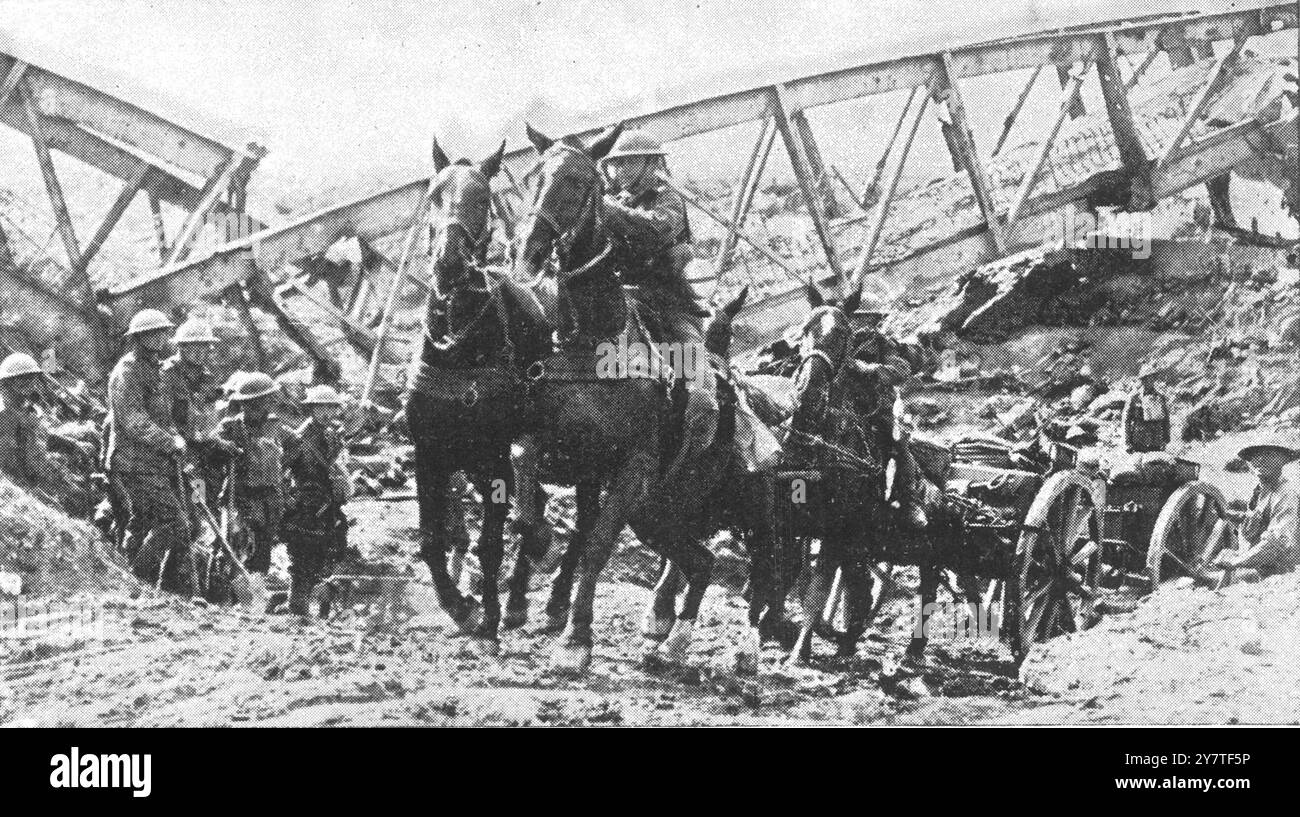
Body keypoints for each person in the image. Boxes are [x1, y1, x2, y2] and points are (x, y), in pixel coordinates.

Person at [599, 128, 717, 459]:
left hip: (668, 303)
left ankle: (713, 447)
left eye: (626, 163)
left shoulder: (667, 199)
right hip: (622, 301)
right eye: (613, 165)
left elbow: (653, 229)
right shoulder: (614, 203)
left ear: (649, 163)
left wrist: (606, 210)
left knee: (698, 382)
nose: (616, 171)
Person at [104, 308, 194, 594]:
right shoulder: (127, 371)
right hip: (133, 462)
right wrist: (170, 442)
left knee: (142, 522)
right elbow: (134, 421)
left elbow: (163, 419)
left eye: (162, 333)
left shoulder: (155, 369)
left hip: (154, 461)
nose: (159, 338)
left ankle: (137, 586)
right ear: (139, 338)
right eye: (152, 334)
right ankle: (138, 580)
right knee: (173, 522)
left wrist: (175, 436)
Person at [849, 294, 936, 529]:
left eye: (867, 319)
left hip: (880, 410)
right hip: (848, 410)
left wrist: (870, 369)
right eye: (857, 319)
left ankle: (909, 502)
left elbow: (901, 369)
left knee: (898, 445)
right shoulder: (839, 340)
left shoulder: (882, 343)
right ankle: (800, 499)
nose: (860, 325)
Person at [211, 372, 285, 609]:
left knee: (262, 548)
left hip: (269, 498)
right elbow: (209, 453)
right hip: (239, 497)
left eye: (262, 402)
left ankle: (253, 601)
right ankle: (234, 600)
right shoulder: (230, 427)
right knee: (234, 547)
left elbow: (294, 450)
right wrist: (223, 449)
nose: (257, 408)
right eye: (252, 403)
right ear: (242, 403)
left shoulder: (276, 427)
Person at [281, 385, 352, 615]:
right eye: (322, 407)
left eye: (331, 408)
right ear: (311, 409)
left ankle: (322, 613)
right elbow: (279, 471)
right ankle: (297, 612)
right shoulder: (298, 440)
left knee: (329, 558)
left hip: (328, 508)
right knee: (302, 562)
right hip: (305, 510)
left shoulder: (332, 437)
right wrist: (286, 500)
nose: (327, 413)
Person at [1208, 438, 1300, 587]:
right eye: (1255, 455)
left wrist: (1236, 562)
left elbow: (1276, 543)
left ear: (1283, 460)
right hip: (1260, 564)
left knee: (1214, 580)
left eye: (1269, 454)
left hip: (1279, 571)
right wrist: (1229, 515)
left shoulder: (1286, 494)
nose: (1261, 459)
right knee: (1224, 560)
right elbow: (1257, 519)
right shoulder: (1261, 490)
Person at [161, 316, 222, 503]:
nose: (199, 352)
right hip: (176, 446)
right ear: (181, 347)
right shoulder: (167, 374)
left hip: (203, 445)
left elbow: (210, 414)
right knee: (195, 496)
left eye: (204, 346)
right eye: (193, 346)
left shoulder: (207, 378)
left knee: (214, 493)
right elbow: (162, 416)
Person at [0, 352, 60, 493]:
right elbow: (11, 458)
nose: (31, 385)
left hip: (33, 475)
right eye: (23, 380)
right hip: (19, 485)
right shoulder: (4, 414)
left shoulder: (25, 408)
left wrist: (70, 445)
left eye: (32, 379)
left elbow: (38, 438)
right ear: (8, 383)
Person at [1123, 361, 1171, 453]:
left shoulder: (1160, 397)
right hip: (1138, 441)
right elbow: (1126, 420)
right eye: (1148, 378)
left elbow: (1166, 420)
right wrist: (1127, 442)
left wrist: (1166, 439)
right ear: (1143, 379)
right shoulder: (1134, 397)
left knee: (1155, 466)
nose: (1151, 380)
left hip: (1156, 440)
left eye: (1153, 378)